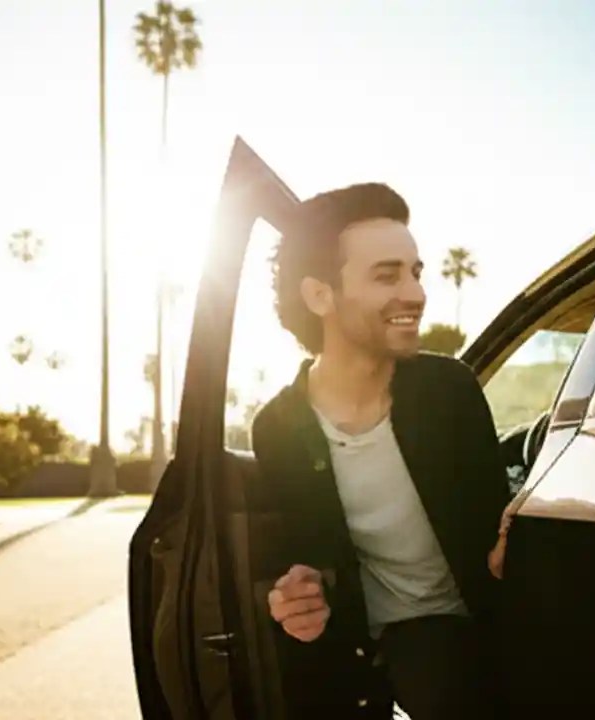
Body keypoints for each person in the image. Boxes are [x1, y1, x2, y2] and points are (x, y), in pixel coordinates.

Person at [249, 182, 510, 720]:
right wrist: (295, 599)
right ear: (320, 295)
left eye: (415, 272)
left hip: (483, 630)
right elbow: (307, 561)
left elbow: (494, 532)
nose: (414, 294)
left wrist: (515, 546)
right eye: (386, 275)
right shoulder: (277, 427)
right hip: (385, 647)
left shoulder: (451, 389)